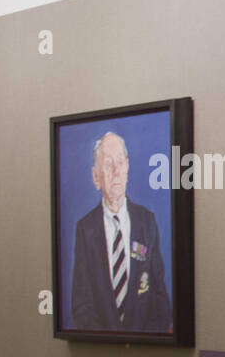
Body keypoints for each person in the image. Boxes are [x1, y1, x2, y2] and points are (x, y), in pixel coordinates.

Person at [70, 131, 173, 332]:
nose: (116, 170)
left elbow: (160, 297)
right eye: (108, 164)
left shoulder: (147, 221)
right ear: (95, 177)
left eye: (120, 162)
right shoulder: (85, 229)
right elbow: (81, 306)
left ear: (128, 167)